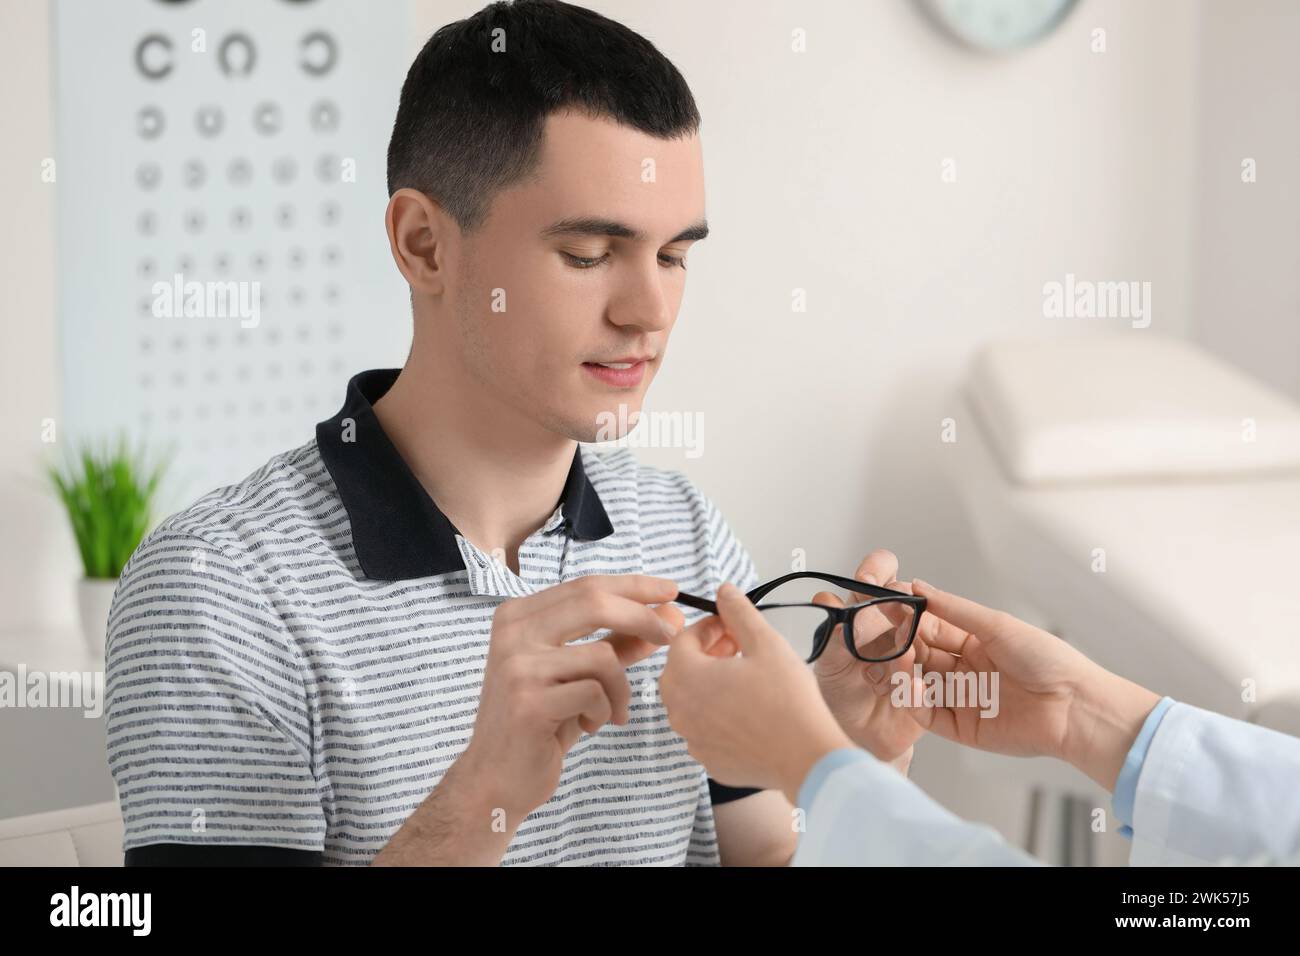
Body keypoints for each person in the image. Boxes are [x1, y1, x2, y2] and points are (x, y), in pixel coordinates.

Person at [106, 0, 809, 866]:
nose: (650, 313)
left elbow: (763, 851)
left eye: (674, 257)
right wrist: (481, 797)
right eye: (589, 253)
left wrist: (855, 763)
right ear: (424, 244)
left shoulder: (685, 532)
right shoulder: (219, 592)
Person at [660, 554, 1300, 865]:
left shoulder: (693, 533)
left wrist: (813, 765)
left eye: (673, 276)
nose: (649, 313)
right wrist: (1070, 708)